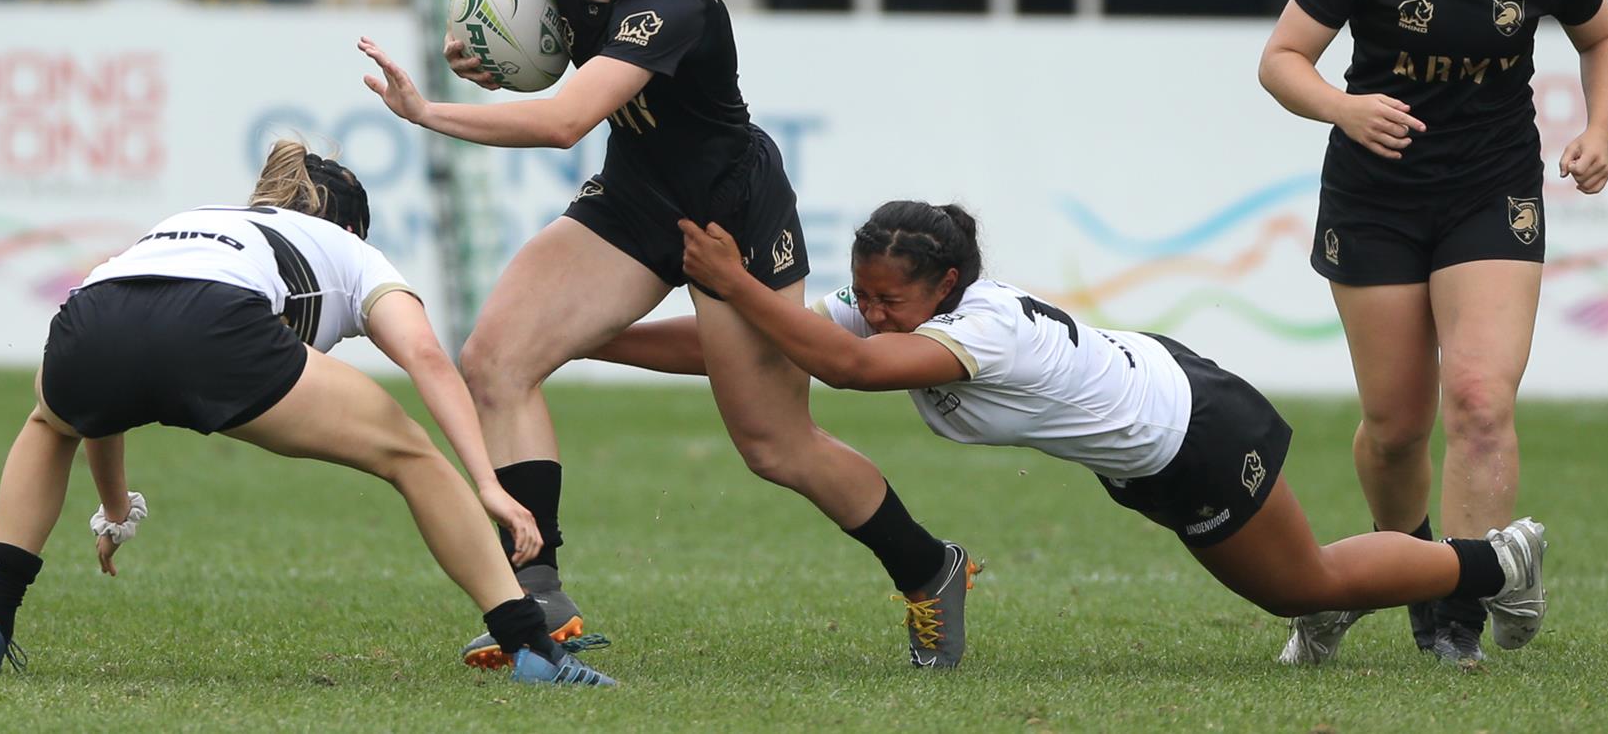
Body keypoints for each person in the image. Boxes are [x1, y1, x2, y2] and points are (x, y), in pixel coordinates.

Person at [357, 0, 976, 670]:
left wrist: (431, 111)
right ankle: (541, 602)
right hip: (637, 195)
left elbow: (566, 120)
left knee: (774, 445)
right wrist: (494, 66)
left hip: (734, 211)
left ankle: (929, 569)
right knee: (495, 359)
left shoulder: (672, 1)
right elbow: (551, 80)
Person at [613, 199, 1547, 668]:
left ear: (943, 285)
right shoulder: (906, 309)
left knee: (1302, 584)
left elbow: (843, 366)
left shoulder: (981, 329)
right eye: (860, 295)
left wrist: (740, 283)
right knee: (1296, 579)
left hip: (1198, 436)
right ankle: (1353, 597)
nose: (868, 312)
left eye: (886, 298)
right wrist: (600, 337)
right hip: (1158, 440)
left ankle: (1497, 564)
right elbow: (751, 354)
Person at [0, 141, 616, 687]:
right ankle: (529, 646)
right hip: (215, 327)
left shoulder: (200, 221)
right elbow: (428, 360)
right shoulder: (353, 251)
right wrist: (489, 484)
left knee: (48, 421)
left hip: (90, 317)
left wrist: (116, 511)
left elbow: (109, 390)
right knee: (411, 455)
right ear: (352, 225)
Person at [1256, 0, 1608, 663]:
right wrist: (1343, 108)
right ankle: (1419, 565)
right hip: (1375, 198)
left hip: (1490, 191)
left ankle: (1456, 614)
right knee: (1394, 427)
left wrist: (1600, 132)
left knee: (1479, 401)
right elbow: (1282, 60)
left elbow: (1603, 38)